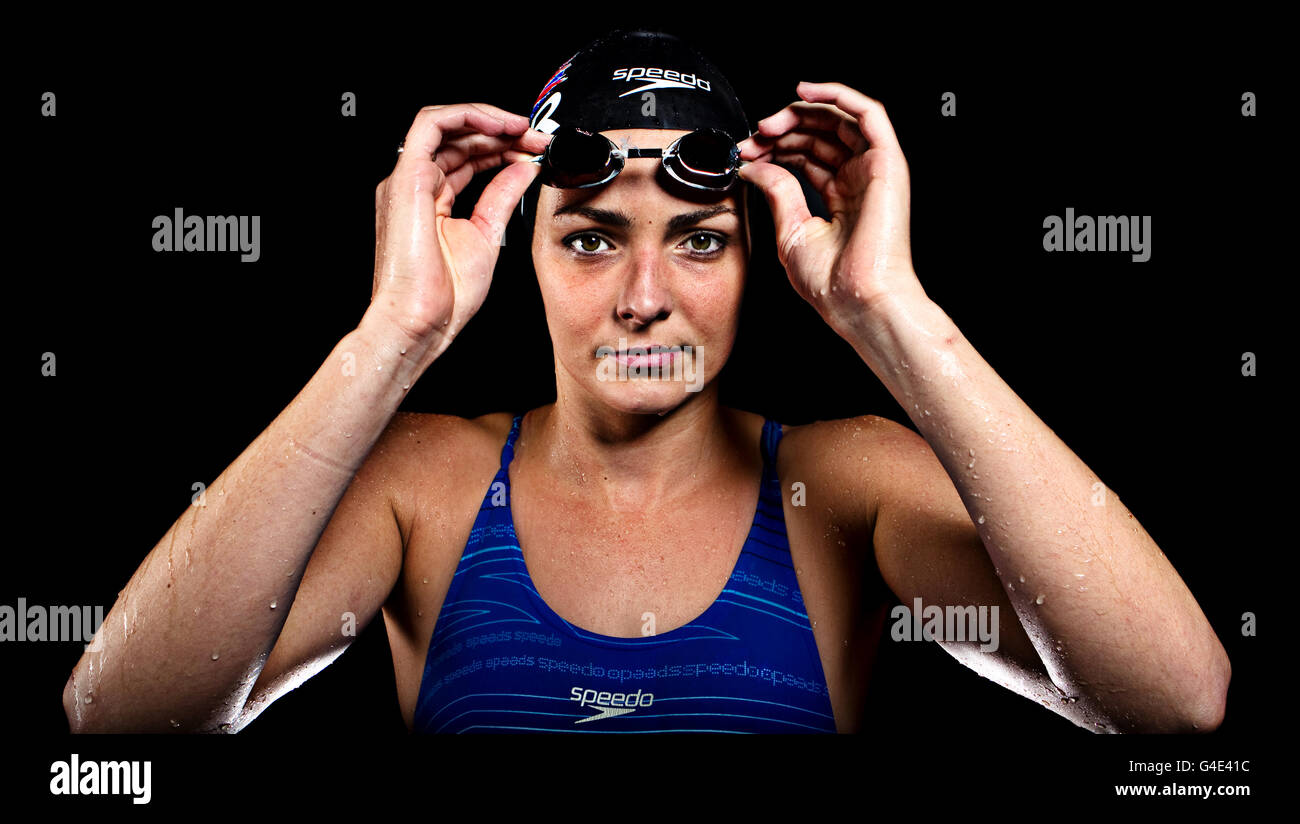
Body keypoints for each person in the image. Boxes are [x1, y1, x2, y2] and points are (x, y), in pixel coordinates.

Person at [62, 30, 1229, 734]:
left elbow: (1175, 702)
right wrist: (392, 334)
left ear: (759, 254)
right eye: (587, 237)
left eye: (700, 239)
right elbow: (118, 718)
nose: (643, 295)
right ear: (519, 250)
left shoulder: (844, 481)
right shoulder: (428, 483)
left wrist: (895, 315)